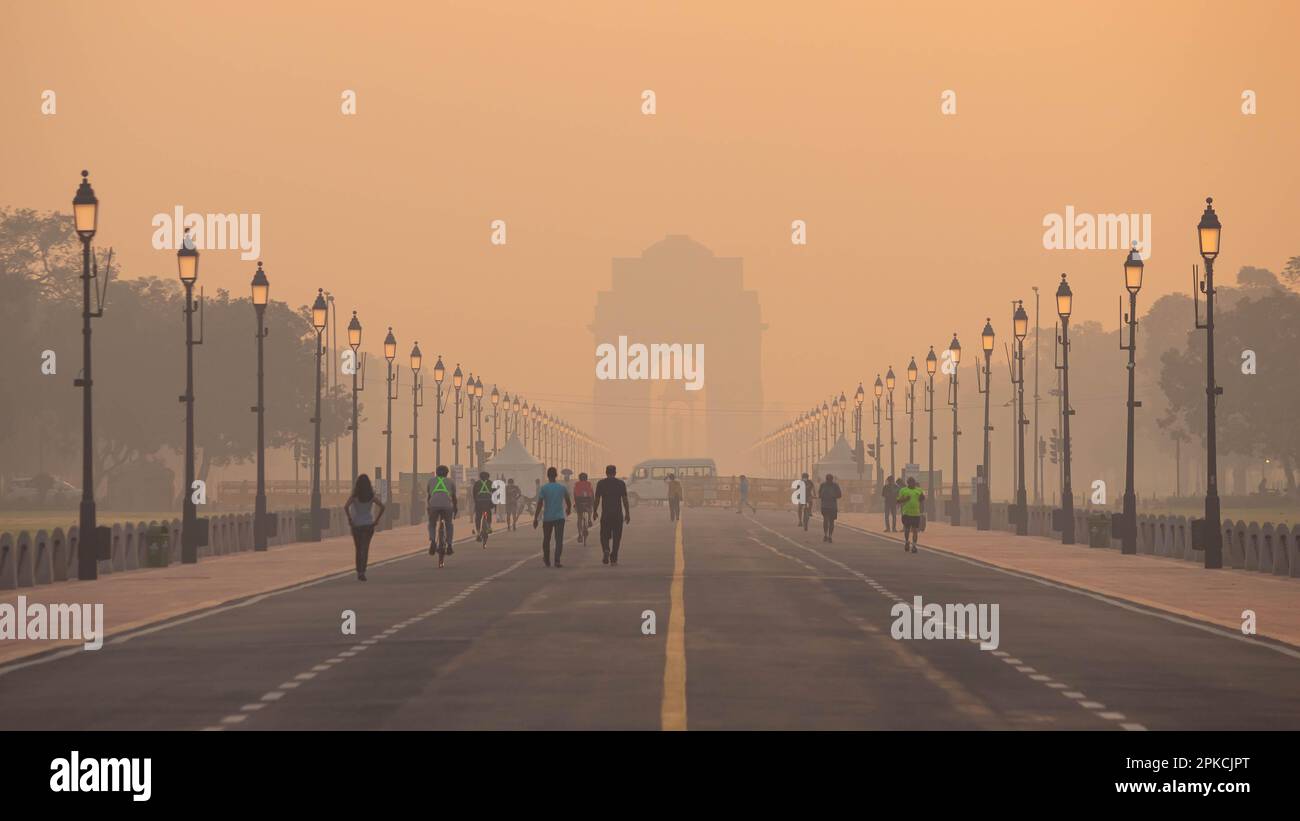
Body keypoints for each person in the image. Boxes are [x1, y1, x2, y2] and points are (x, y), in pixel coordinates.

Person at [344, 473, 386, 581]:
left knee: (358, 549)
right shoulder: (371, 496)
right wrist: (376, 520)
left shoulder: (354, 497)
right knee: (365, 548)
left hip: (356, 525)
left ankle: (359, 571)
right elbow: (382, 506)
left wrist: (350, 519)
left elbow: (346, 507)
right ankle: (363, 571)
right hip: (368, 525)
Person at [532, 466, 571, 567]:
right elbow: (568, 500)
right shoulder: (562, 488)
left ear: (547, 476)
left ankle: (547, 559)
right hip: (559, 517)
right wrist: (568, 509)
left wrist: (535, 518)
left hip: (548, 518)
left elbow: (540, 504)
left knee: (546, 539)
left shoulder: (544, 488)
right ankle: (557, 560)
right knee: (559, 540)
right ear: (556, 476)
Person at [593, 464, 631, 565]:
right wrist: (627, 513)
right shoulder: (621, 483)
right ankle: (613, 558)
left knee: (604, 535)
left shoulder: (601, 483)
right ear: (615, 473)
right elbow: (625, 499)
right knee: (617, 537)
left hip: (606, 515)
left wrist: (594, 511)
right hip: (617, 515)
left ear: (606, 472)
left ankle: (606, 549)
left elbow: (597, 499)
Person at [427, 465, 458, 568]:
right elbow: (454, 497)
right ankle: (449, 545)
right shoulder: (451, 482)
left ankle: (432, 541)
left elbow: (429, 496)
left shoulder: (431, 481)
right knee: (449, 525)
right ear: (447, 473)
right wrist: (455, 508)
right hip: (447, 506)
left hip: (434, 506)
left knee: (432, 524)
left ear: (436, 473)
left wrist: (429, 507)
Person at [897, 476, 926, 553]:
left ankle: (914, 545)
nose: (912, 483)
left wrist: (922, 497)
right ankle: (907, 542)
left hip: (916, 514)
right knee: (906, 529)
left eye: (913, 482)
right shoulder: (903, 490)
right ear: (908, 483)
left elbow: (922, 499)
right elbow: (898, 501)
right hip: (906, 513)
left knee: (915, 530)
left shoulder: (919, 490)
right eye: (910, 482)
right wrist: (905, 499)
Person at [472, 470, 494, 547]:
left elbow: (474, 494)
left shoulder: (477, 483)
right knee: (489, 513)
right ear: (488, 477)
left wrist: (476, 502)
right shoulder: (490, 483)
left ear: (480, 477)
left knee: (478, 517)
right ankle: (489, 526)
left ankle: (478, 533)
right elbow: (494, 493)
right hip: (488, 502)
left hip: (479, 502)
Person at [819, 473, 842, 543]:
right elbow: (819, 494)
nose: (829, 481)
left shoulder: (834, 486)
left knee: (830, 521)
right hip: (828, 506)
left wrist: (832, 496)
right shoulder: (824, 485)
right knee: (827, 521)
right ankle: (827, 535)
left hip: (830, 506)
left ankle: (828, 535)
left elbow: (839, 495)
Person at [573, 471, 595, 543]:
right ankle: (589, 519)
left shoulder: (576, 484)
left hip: (579, 501)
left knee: (579, 518)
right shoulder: (589, 484)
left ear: (579, 478)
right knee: (590, 508)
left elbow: (575, 495)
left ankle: (579, 535)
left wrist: (575, 503)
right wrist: (593, 502)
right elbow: (592, 494)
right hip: (588, 500)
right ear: (586, 478)